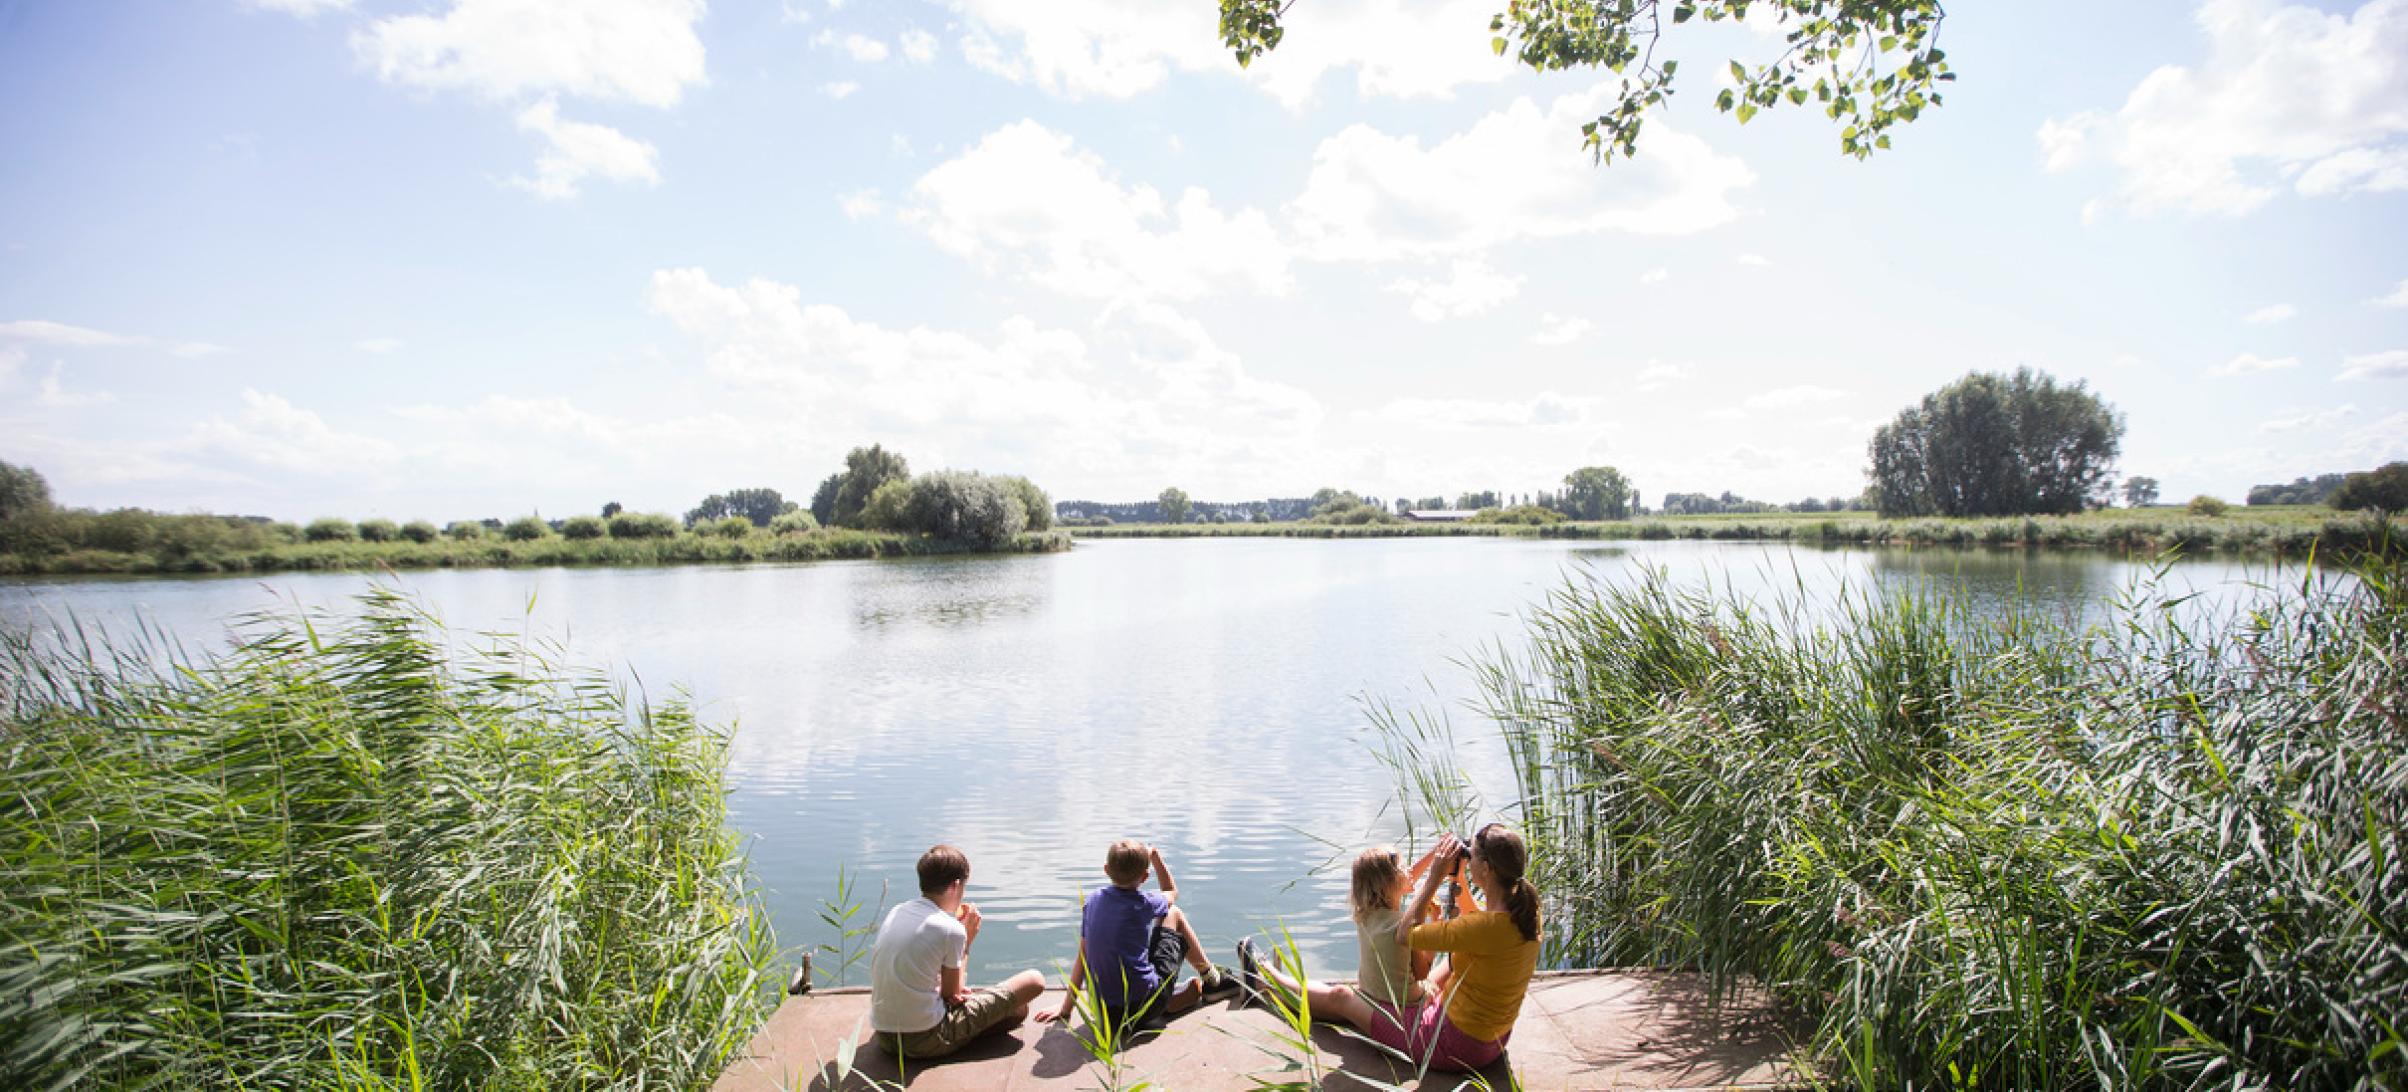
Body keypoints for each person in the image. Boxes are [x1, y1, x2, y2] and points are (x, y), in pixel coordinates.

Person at [1240, 825, 1540, 1073]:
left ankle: (1264, 979)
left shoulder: (1480, 928)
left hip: (1453, 1047)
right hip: (1493, 1040)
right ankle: (1287, 986)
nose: (1467, 858)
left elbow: (1406, 935)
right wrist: (1458, 877)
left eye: (1471, 855)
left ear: (1485, 869)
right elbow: (1476, 928)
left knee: (1344, 998)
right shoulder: (1525, 913)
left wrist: (1435, 878)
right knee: (1447, 966)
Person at [1038, 839, 1240, 1032]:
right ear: (1144, 877)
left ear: (1106, 870)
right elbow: (1171, 891)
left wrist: (1066, 1009)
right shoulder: (1144, 902)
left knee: (1133, 957)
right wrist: (1156, 857)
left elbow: (1082, 956)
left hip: (1104, 1014)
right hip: (1145, 1005)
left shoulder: (1091, 903)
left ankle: (1173, 999)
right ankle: (1213, 980)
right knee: (1173, 913)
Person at [868, 844, 1048, 1060]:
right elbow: (952, 994)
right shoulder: (950, 929)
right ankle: (958, 1037)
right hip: (925, 1039)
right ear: (955, 886)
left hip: (884, 1036)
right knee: (1031, 986)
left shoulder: (898, 911)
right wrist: (967, 940)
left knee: (1015, 1009)